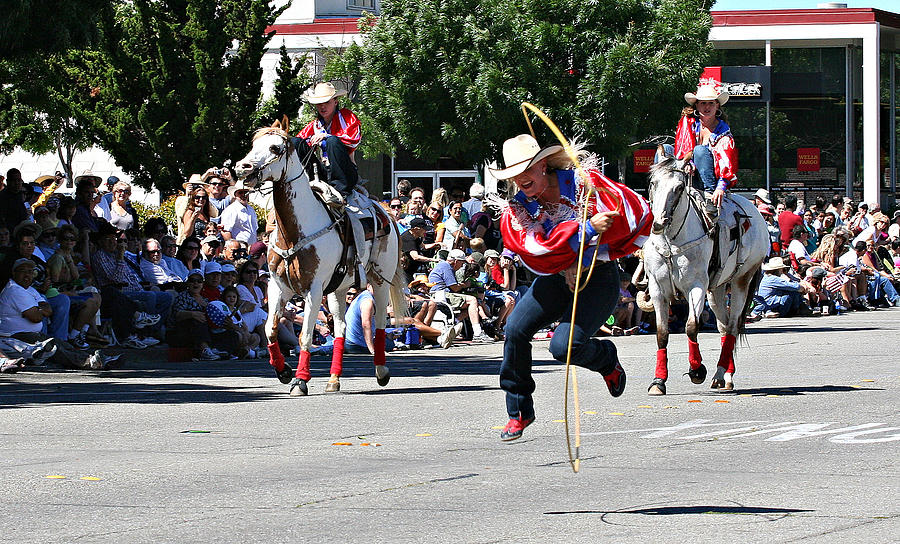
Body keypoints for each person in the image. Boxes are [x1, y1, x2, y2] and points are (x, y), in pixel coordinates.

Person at [489, 134, 650, 441]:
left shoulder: (583, 184)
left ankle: (606, 358)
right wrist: (579, 239)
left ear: (543, 166)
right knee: (515, 330)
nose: (521, 180)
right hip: (555, 277)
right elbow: (534, 247)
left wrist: (599, 230)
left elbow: (628, 209)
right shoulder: (520, 209)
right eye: (513, 175)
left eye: (527, 170)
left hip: (597, 278)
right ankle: (519, 411)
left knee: (562, 348)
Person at [673, 84, 737, 214]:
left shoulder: (724, 133)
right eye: (703, 103)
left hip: (710, 179)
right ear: (696, 105)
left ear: (717, 106)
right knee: (665, 149)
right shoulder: (687, 123)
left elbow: (727, 163)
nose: (707, 107)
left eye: (711, 103)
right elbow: (681, 150)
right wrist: (687, 163)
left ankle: (710, 198)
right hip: (687, 173)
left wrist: (720, 187)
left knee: (700, 150)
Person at [297, 81, 361, 197]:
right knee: (295, 143)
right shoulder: (315, 125)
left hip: (345, 174)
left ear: (335, 102)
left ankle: (340, 193)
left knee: (332, 141)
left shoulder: (347, 117)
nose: (322, 106)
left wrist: (327, 136)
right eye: (319, 103)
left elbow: (353, 140)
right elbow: (299, 140)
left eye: (326, 102)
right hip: (323, 171)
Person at [428, 249, 491, 343]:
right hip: (441, 294)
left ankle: (453, 323)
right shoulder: (446, 267)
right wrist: (466, 284)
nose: (462, 266)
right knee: (472, 300)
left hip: (445, 294)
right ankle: (478, 333)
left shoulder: (447, 267)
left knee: (472, 306)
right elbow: (455, 288)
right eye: (461, 263)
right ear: (456, 261)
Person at [400, 217, 437, 282]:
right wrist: (432, 260)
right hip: (404, 272)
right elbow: (415, 257)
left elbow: (423, 246)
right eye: (424, 229)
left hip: (412, 270)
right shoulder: (408, 239)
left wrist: (436, 244)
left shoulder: (415, 236)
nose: (426, 231)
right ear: (416, 229)